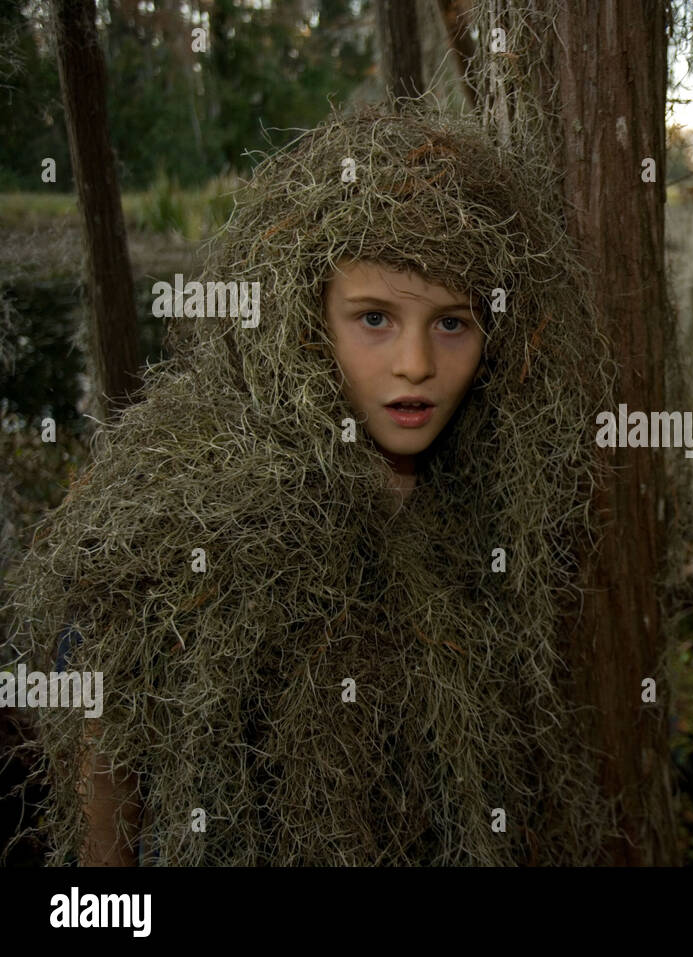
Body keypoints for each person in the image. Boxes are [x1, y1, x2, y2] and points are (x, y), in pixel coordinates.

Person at [4, 101, 622, 866]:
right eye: (373, 319)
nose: (416, 364)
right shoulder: (193, 501)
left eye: (452, 323)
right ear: (307, 318)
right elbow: (101, 729)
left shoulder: (482, 515)